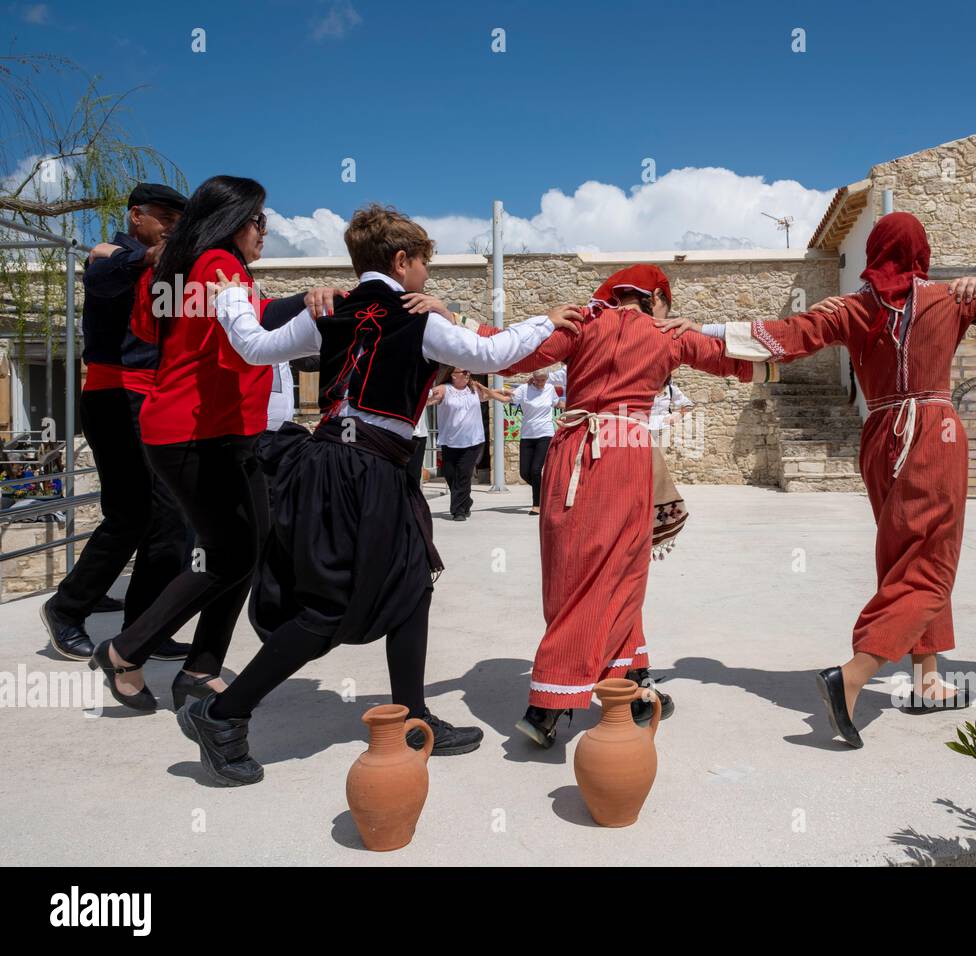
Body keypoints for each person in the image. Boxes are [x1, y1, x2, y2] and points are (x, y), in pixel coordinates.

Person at [662, 212, 976, 747]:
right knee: (930, 562)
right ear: (921, 254)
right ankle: (855, 674)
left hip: (880, 433)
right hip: (932, 431)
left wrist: (702, 333)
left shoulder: (851, 308)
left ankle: (928, 679)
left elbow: (782, 338)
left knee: (903, 552)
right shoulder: (955, 297)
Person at [179, 204, 580, 784]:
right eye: (423, 265)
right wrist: (547, 320)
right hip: (363, 471)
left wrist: (233, 301)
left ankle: (412, 717)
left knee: (413, 583)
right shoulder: (419, 317)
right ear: (402, 260)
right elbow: (495, 356)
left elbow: (254, 347)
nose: (427, 279)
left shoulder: (333, 308)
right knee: (330, 607)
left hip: (338, 464)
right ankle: (222, 712)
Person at [469, 265, 780, 747]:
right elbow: (733, 359)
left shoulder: (581, 324)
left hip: (570, 449)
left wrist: (458, 324)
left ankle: (633, 687)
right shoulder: (666, 335)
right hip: (625, 453)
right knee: (609, 575)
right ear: (655, 297)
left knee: (584, 570)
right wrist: (779, 358)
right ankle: (547, 703)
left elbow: (509, 355)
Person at [87, 175, 337, 714]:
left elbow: (237, 320)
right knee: (228, 553)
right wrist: (321, 316)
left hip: (220, 431)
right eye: (259, 221)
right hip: (191, 434)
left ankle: (200, 668)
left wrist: (317, 300)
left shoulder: (202, 269)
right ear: (233, 221)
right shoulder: (217, 266)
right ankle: (126, 650)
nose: (265, 231)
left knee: (248, 546)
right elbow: (253, 344)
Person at [40, 183, 190, 662]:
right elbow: (104, 277)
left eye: (178, 219)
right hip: (114, 395)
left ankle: (142, 627)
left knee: (171, 517)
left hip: (156, 399)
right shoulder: (112, 257)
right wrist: (144, 259)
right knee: (132, 514)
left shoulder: (169, 267)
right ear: (135, 217)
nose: (172, 226)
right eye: (164, 217)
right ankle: (66, 609)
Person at [477, 368, 562, 514]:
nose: (541, 383)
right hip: (527, 435)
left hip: (545, 433)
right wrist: (487, 391)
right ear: (533, 378)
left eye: (544, 380)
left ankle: (537, 505)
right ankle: (544, 492)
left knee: (536, 470)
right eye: (539, 380)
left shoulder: (550, 389)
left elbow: (558, 404)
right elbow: (505, 398)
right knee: (524, 473)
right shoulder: (524, 389)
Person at [430, 368, 488, 520]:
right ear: (453, 375)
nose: (468, 374)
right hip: (450, 441)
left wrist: (504, 394)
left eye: (468, 372)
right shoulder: (444, 389)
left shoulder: (474, 388)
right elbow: (429, 398)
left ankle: (458, 511)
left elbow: (490, 395)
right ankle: (466, 500)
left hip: (473, 441)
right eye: (464, 372)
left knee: (463, 474)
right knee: (450, 475)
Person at [647, 377, 694, 559]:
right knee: (645, 464)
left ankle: (655, 495)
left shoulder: (672, 390)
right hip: (642, 428)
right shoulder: (646, 387)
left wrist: (677, 415)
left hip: (662, 430)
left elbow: (688, 405)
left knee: (659, 465)